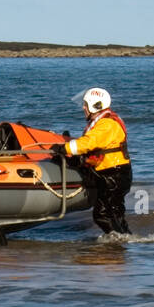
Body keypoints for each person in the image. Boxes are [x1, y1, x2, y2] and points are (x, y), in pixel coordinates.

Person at [55, 87, 132, 235]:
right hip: (112, 173)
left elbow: (89, 143)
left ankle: (117, 242)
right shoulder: (103, 122)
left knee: (102, 215)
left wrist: (65, 148)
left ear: (95, 105)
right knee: (115, 213)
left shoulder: (107, 124)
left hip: (113, 174)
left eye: (85, 104)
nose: (83, 107)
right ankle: (123, 240)